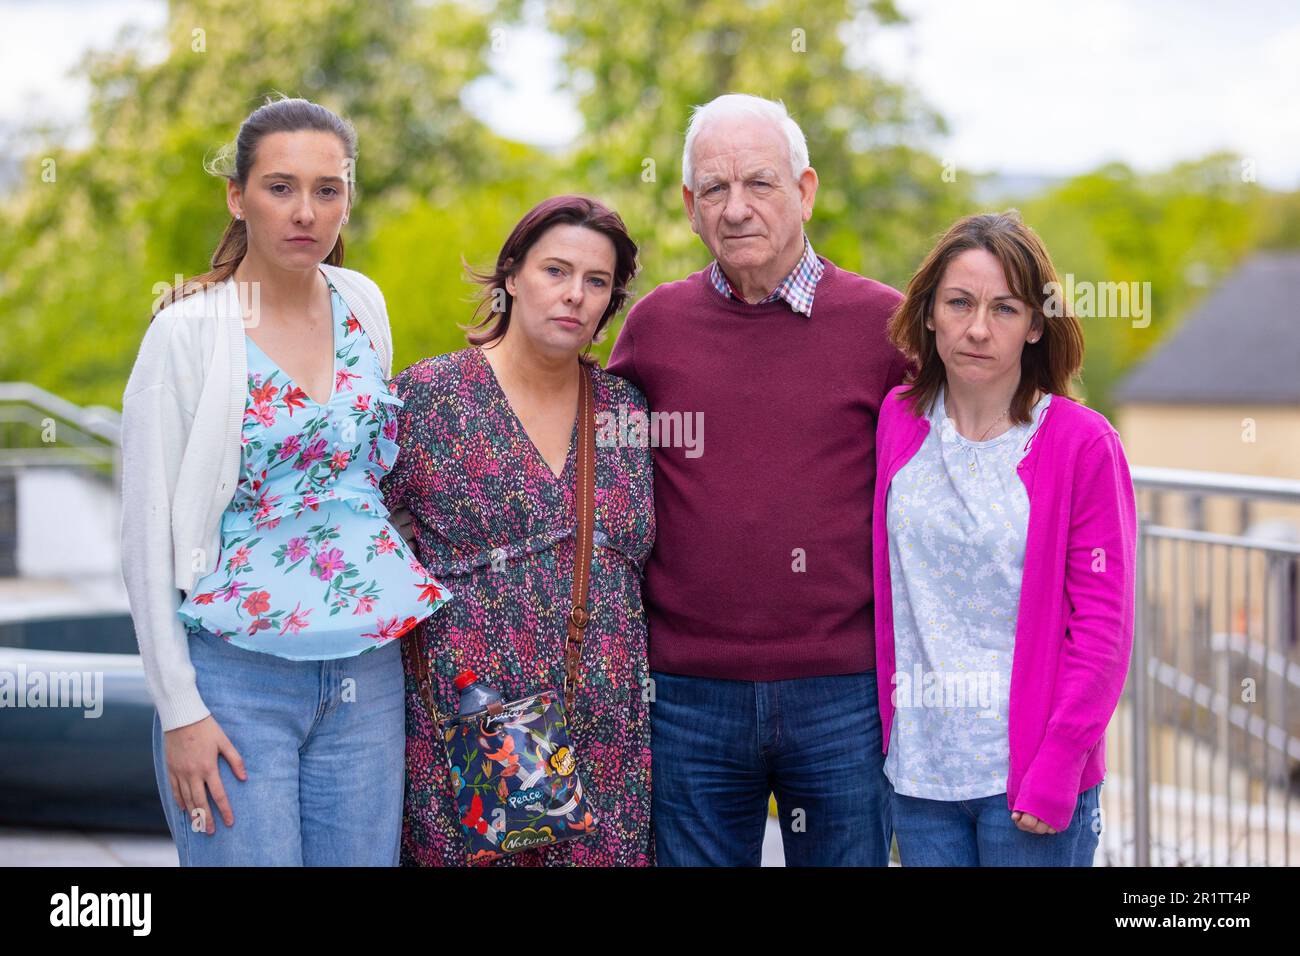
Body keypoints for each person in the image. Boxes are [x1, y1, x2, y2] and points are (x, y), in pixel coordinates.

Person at [120, 96, 449, 866]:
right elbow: (143, 538)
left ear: (347, 198)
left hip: (367, 675)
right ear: (237, 196)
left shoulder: (364, 303)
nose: (306, 211)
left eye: (327, 189)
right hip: (237, 683)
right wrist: (179, 711)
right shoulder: (185, 333)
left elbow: (358, 477)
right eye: (279, 187)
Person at [605, 93, 908, 866]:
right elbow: (598, 460)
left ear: (804, 190)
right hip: (686, 692)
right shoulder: (655, 328)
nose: (736, 207)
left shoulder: (886, 328)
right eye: (714, 188)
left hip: (842, 688)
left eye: (759, 184)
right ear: (689, 205)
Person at [383, 195, 655, 866]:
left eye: (597, 282)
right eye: (555, 271)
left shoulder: (625, 409)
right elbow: (361, 537)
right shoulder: (429, 397)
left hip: (605, 738)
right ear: (510, 275)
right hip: (472, 731)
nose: (575, 296)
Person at [874, 210, 1136, 866]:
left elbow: (1103, 630)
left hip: (1027, 781)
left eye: (1006, 308)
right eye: (959, 303)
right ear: (930, 313)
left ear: (1036, 324)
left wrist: (1059, 766)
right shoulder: (898, 423)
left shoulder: (1082, 444)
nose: (978, 328)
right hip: (921, 774)